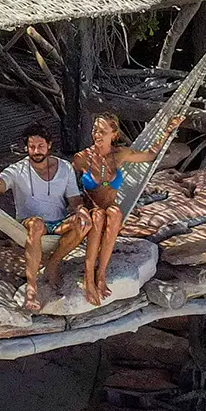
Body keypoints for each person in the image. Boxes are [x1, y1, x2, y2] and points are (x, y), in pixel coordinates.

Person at [0, 125, 90, 310]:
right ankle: (32, 288)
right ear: (26, 148)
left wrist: (81, 209)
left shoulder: (64, 167)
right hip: (29, 222)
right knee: (37, 224)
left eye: (40, 146)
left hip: (58, 222)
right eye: (32, 146)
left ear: (49, 145)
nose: (36, 151)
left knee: (84, 224)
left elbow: (74, 198)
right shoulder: (17, 170)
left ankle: (53, 263)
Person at [73, 111, 182, 307]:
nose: (97, 134)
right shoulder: (82, 158)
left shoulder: (120, 154)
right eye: (95, 130)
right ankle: (88, 277)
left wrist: (168, 129)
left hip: (110, 208)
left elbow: (151, 155)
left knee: (114, 213)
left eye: (102, 131)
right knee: (98, 216)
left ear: (113, 135)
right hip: (89, 210)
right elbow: (68, 186)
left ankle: (102, 273)